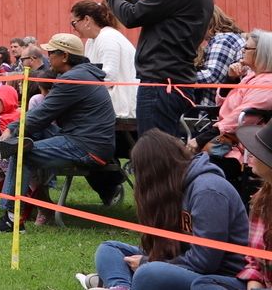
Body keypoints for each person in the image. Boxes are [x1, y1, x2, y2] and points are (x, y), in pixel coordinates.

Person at [0, 33, 117, 233]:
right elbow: (43, 115)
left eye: (51, 53)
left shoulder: (73, 79)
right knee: (26, 142)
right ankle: (38, 204)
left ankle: (11, 220)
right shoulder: (84, 74)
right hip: (88, 140)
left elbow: (42, 114)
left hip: (86, 146)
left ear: (65, 56)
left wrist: (11, 129)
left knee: (21, 154)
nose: (47, 57)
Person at [79, 130, 247, 290]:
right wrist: (151, 261)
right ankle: (121, 286)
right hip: (184, 265)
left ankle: (115, 281)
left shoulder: (208, 191)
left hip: (217, 279)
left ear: (155, 171)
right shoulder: (174, 187)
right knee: (110, 250)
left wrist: (147, 263)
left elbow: (205, 262)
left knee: (148, 274)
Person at [92, 0, 214, 136]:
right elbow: (145, 12)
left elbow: (131, 17)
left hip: (160, 85)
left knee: (153, 151)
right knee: (164, 149)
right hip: (172, 83)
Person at [188, 122, 272, 289]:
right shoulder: (262, 199)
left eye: (259, 150)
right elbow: (255, 261)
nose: (250, 152)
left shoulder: (209, 189)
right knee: (203, 284)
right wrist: (253, 285)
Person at [187, 31, 272, 181]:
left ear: (260, 53)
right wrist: (230, 79)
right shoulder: (251, 76)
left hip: (243, 149)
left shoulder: (267, 83)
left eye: (246, 48)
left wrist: (201, 139)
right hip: (225, 139)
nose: (242, 51)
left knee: (192, 168)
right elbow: (222, 105)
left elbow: (240, 117)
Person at [72, 0, 139, 119]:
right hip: (110, 106)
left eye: (74, 23)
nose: (74, 28)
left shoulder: (108, 38)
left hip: (123, 108)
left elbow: (108, 77)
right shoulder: (91, 41)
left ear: (87, 20)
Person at [192, 7, 246, 106]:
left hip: (214, 109)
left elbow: (213, 77)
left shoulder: (222, 41)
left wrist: (179, 78)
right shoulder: (231, 37)